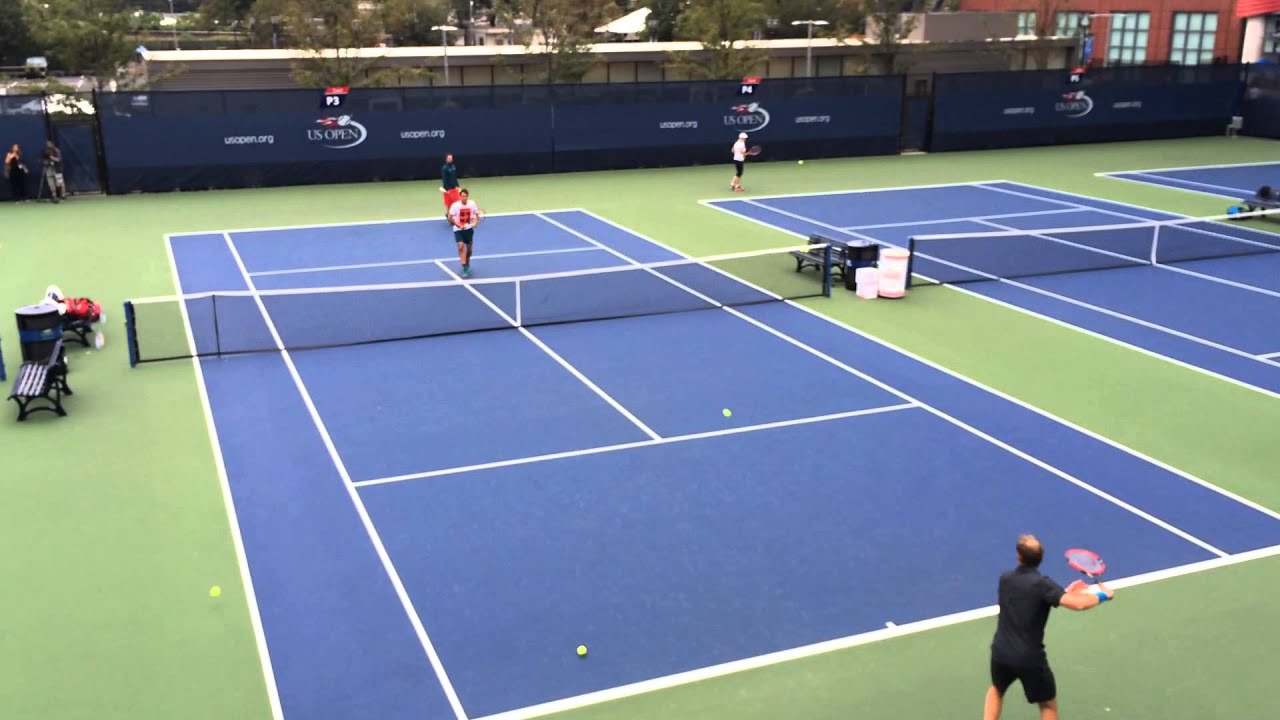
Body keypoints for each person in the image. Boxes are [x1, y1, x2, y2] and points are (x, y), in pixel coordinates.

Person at [984, 535, 1114, 720]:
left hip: (1000, 653)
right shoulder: (1043, 585)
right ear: (1040, 559)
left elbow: (1029, 599)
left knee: (996, 689)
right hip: (1029, 659)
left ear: (1018, 557)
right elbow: (1078, 605)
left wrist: (1064, 592)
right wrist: (1103, 595)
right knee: (1047, 705)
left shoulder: (1005, 579)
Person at [448, 188, 481, 278]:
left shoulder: (472, 204)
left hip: (469, 230)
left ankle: (467, 261)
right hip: (458, 230)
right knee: (460, 246)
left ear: (467, 196)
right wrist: (458, 225)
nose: (464, 198)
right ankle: (465, 267)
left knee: (469, 250)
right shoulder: (455, 206)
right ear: (460, 196)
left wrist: (475, 223)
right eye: (462, 196)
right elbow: (450, 218)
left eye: (465, 196)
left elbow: (476, 215)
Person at [440, 153, 460, 220]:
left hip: (454, 188)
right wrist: (447, 189)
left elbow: (454, 177)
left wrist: (457, 186)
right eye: (449, 158)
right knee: (449, 204)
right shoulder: (444, 168)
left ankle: (451, 216)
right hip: (448, 189)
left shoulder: (453, 166)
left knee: (456, 203)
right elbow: (444, 179)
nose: (450, 159)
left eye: (451, 158)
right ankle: (449, 216)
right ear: (446, 159)